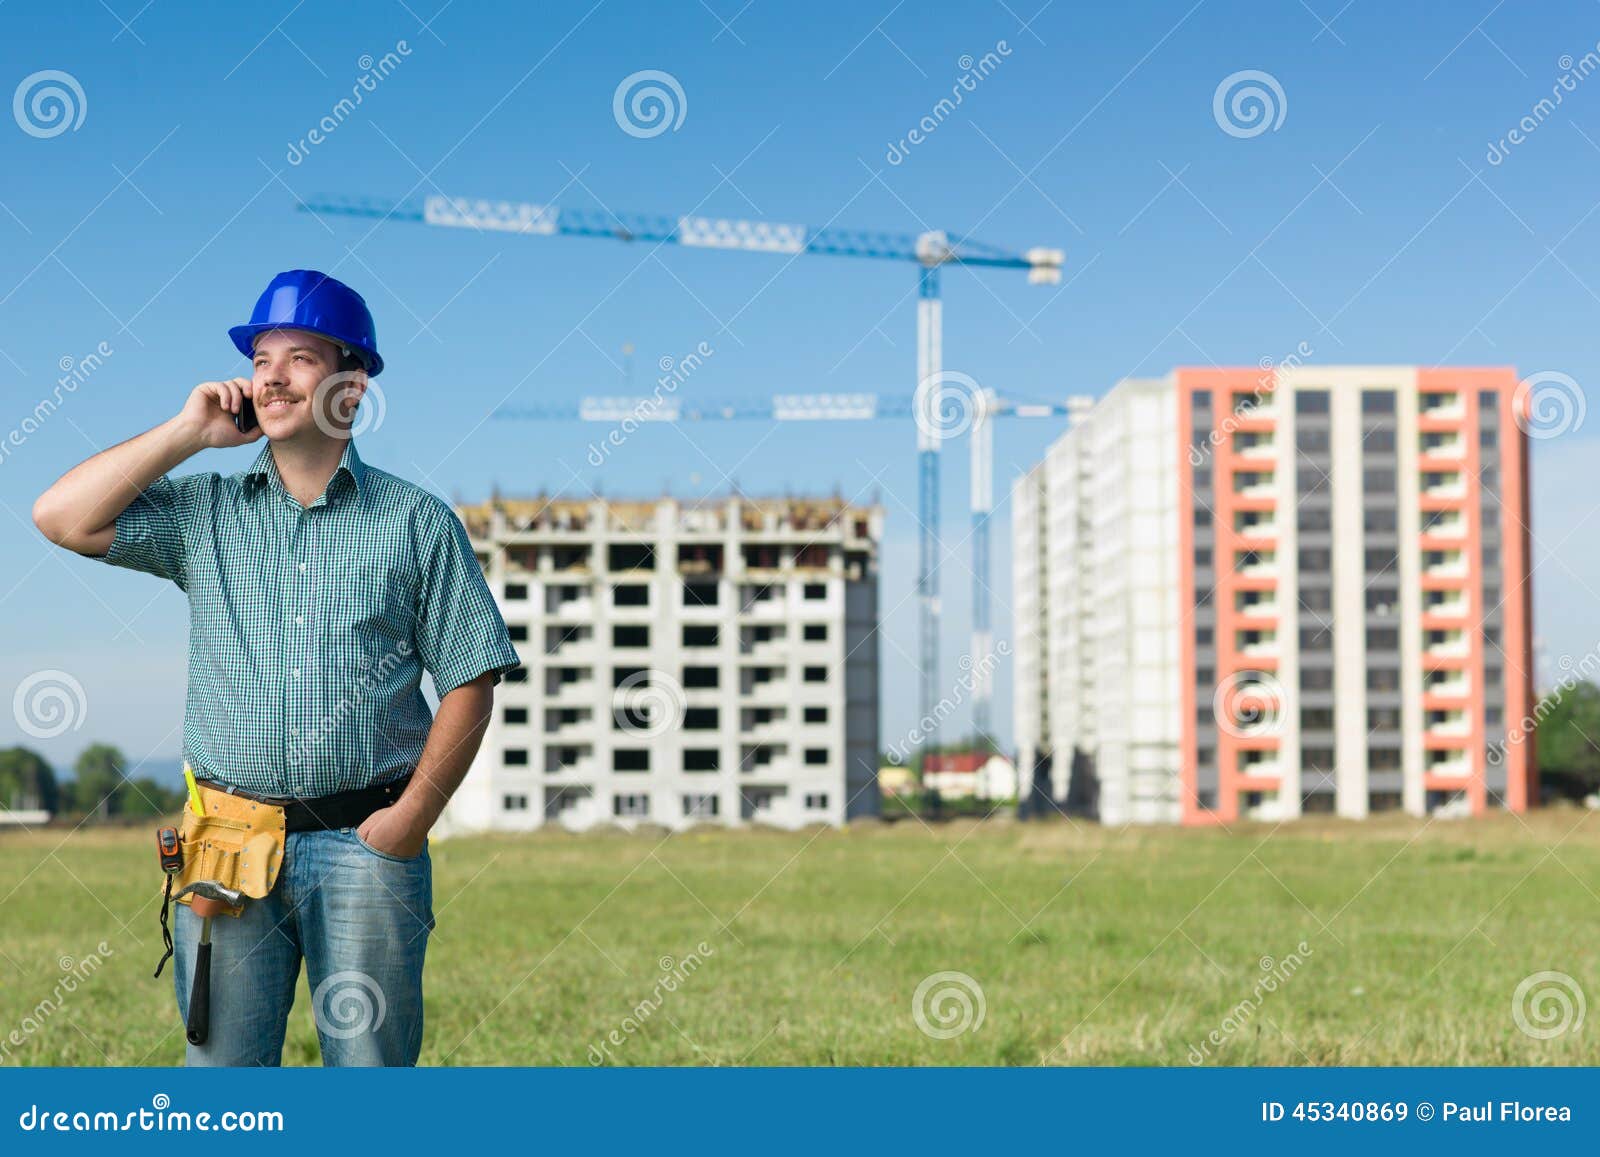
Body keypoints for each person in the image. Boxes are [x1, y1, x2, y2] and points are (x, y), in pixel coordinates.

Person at [31, 269, 520, 1066]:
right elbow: (59, 517)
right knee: (224, 1085)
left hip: (367, 846)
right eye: (261, 359)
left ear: (351, 386)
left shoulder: (417, 523)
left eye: (300, 357)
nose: (272, 376)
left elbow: (471, 680)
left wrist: (410, 820)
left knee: (370, 1082)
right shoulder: (204, 513)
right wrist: (188, 431)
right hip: (225, 845)